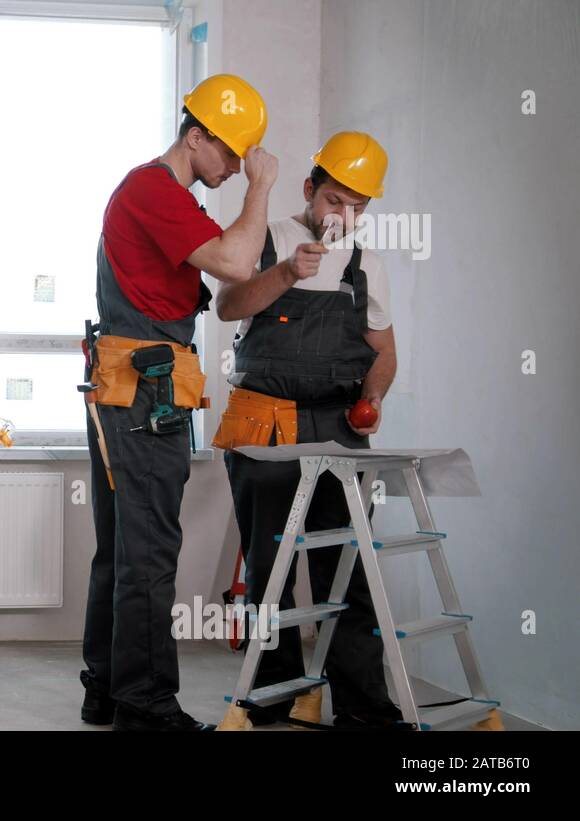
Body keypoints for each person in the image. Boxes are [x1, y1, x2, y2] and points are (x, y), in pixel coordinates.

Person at [80, 74, 278, 731]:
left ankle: (106, 688)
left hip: (130, 385)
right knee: (150, 551)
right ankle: (146, 704)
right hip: (144, 392)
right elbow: (238, 263)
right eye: (228, 153)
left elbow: (221, 278)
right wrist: (263, 186)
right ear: (195, 136)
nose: (233, 167)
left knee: (123, 546)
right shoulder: (153, 190)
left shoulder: (164, 198)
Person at [212, 131, 405, 728]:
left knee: (347, 569)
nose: (343, 216)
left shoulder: (367, 264)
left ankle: (364, 710)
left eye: (357, 206)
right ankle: (271, 698)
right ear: (308, 189)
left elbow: (384, 351)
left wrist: (370, 400)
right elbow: (228, 305)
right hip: (265, 424)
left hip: (339, 431)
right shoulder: (268, 239)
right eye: (334, 200)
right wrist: (289, 274)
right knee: (270, 569)